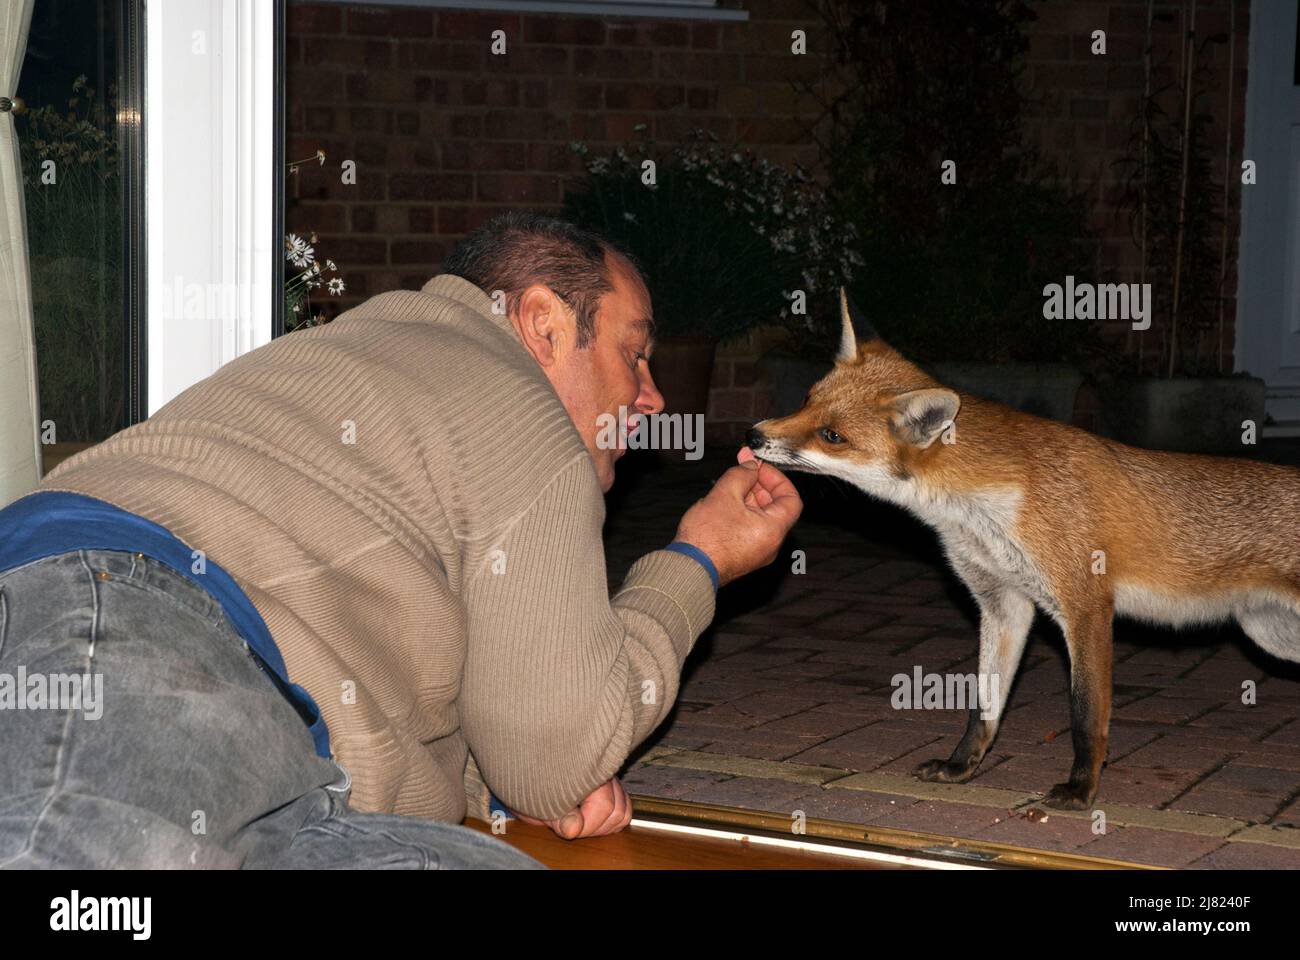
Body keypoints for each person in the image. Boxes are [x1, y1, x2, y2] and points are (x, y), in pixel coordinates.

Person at [0, 211, 801, 869]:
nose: (653, 396)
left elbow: (529, 750)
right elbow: (560, 756)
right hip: (129, 614)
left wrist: (501, 777)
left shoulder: (380, 365)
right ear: (545, 325)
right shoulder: (514, 400)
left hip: (270, 751)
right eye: (634, 354)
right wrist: (698, 560)